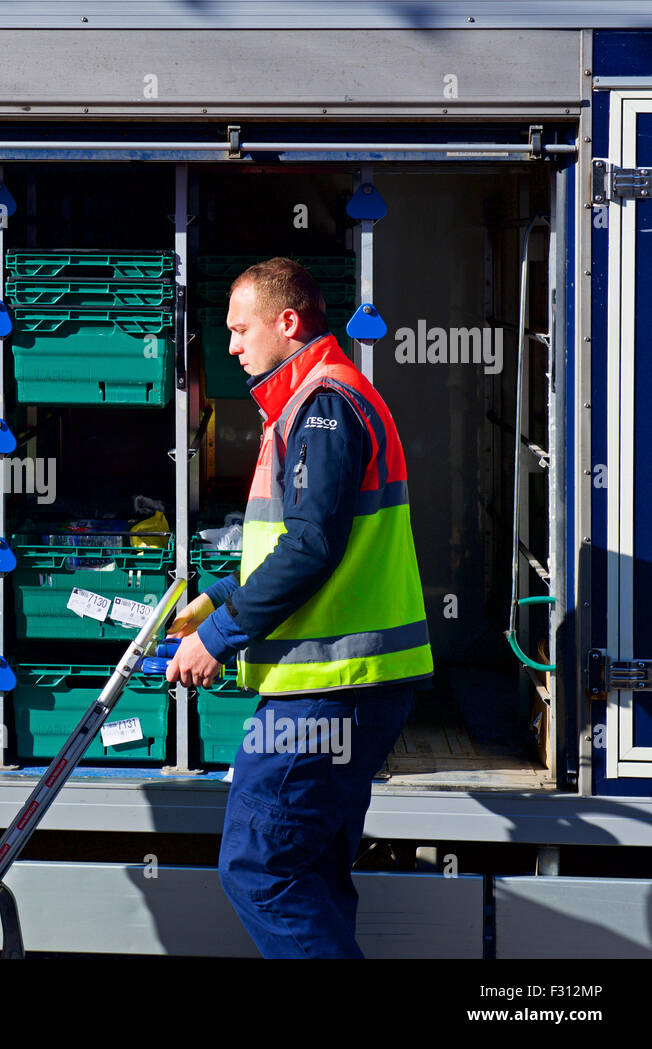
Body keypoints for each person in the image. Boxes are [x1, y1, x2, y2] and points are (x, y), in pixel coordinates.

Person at [166, 257, 433, 958]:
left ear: (287, 322)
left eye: (239, 327)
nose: (229, 346)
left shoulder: (322, 403)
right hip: (348, 688)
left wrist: (219, 634)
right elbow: (311, 542)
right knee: (309, 872)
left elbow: (312, 545)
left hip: (327, 690)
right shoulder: (316, 399)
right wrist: (219, 597)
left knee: (261, 868)